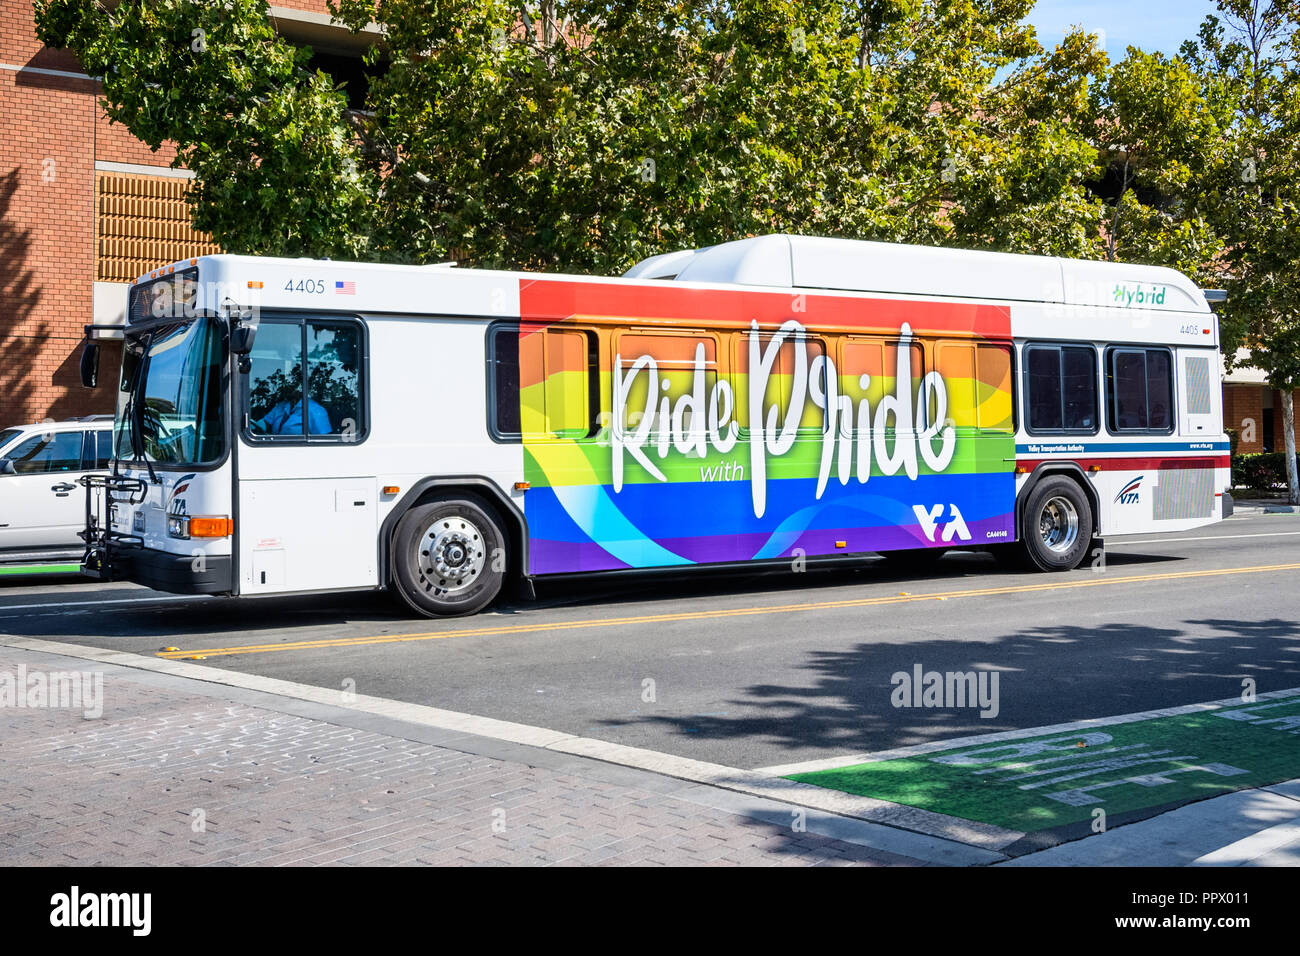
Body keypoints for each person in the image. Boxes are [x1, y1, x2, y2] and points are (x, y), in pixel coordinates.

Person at [255, 396, 332, 435]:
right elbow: (266, 422)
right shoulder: (282, 405)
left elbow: (324, 440)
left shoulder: (315, 410)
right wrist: (254, 426)